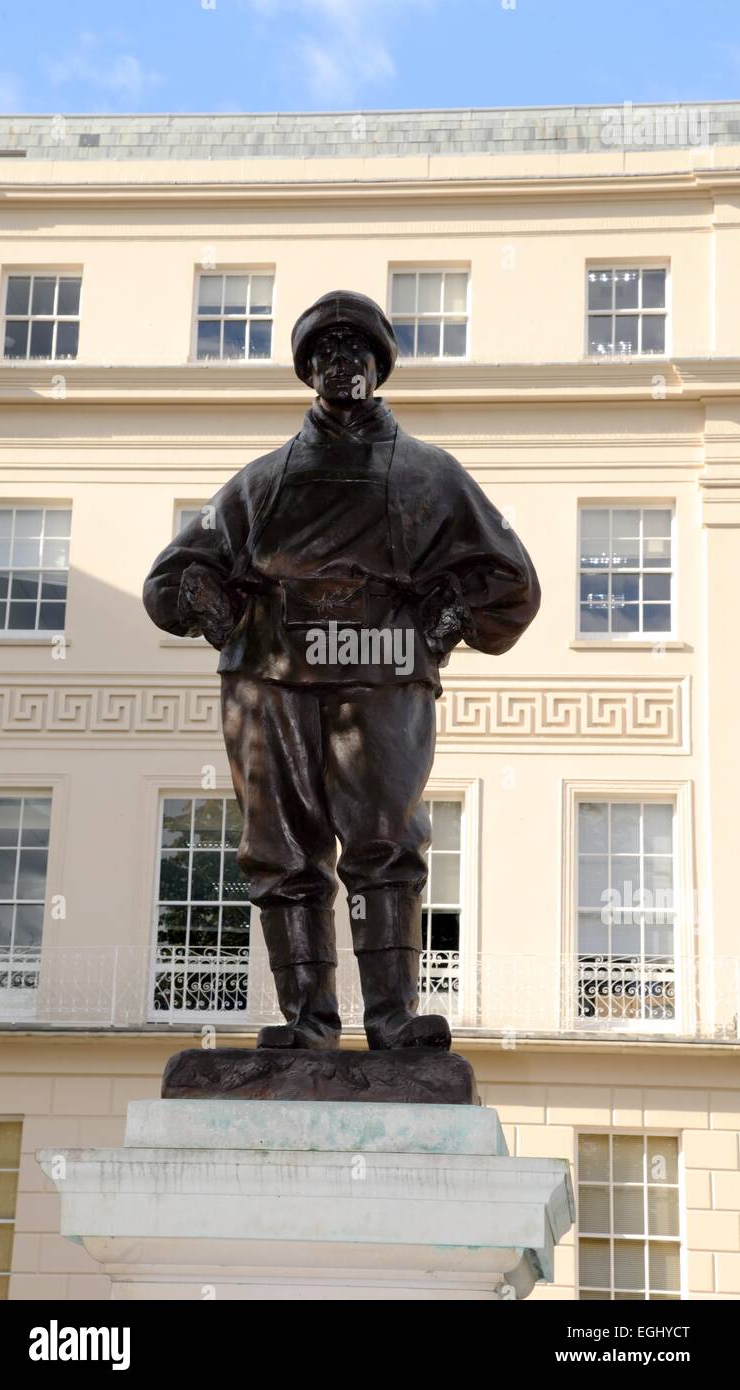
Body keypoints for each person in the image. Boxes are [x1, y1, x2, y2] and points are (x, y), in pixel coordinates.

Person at [144, 290, 540, 1051]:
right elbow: (172, 578)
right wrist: (210, 605)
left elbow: (509, 580)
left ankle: (392, 1018)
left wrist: (446, 617)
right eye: (323, 353)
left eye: (354, 351)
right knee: (280, 849)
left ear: (377, 367)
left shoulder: (429, 474)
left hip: (383, 672)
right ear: (306, 371)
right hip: (270, 677)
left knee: (385, 841)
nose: (339, 364)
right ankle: (306, 1021)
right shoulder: (260, 482)